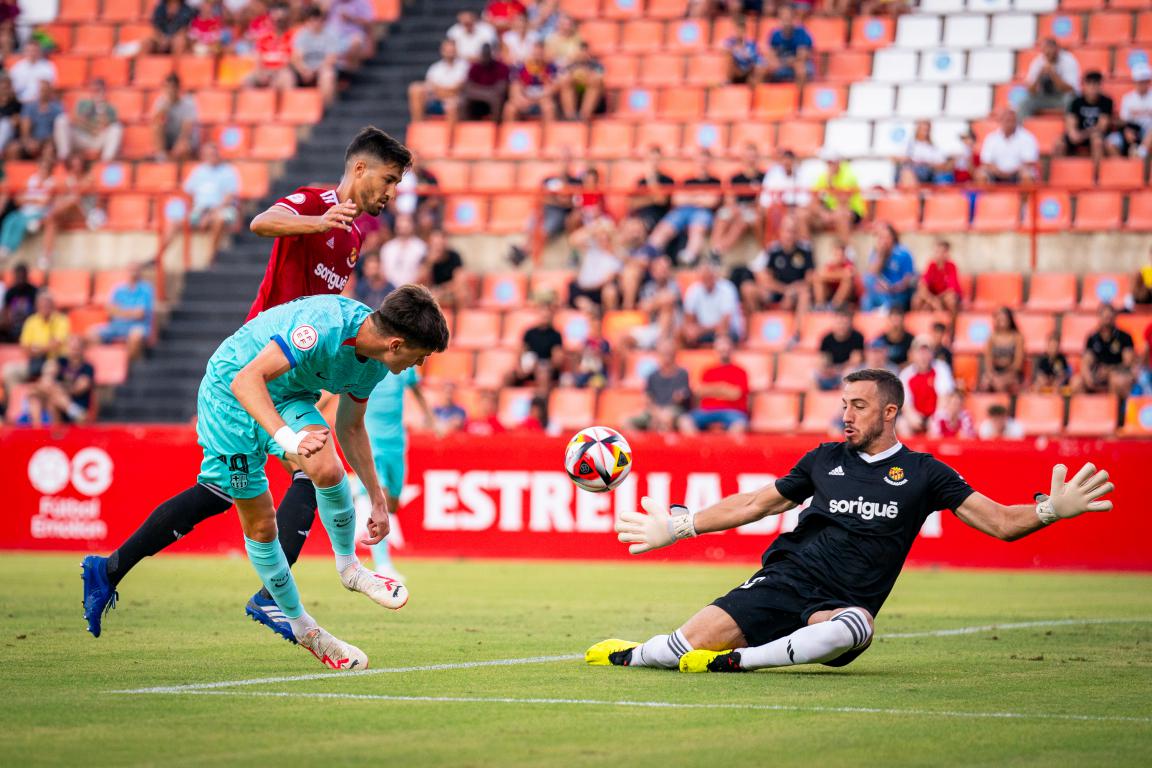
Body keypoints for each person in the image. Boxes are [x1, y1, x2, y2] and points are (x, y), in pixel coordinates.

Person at [80, 128, 413, 636]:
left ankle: (111, 570)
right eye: (389, 180)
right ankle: (270, 597)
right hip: (261, 358)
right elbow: (261, 222)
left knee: (247, 485)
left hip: (297, 369)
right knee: (301, 472)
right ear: (361, 169)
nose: (391, 193)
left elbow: (326, 304)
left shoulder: (355, 235)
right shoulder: (314, 200)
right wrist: (313, 221)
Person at [589, 368, 1115, 673]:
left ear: (889, 413)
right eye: (844, 404)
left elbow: (999, 521)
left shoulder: (924, 473)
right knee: (690, 643)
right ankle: (631, 654)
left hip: (840, 605)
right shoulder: (823, 459)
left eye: (859, 406)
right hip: (786, 578)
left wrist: (1048, 511)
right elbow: (756, 503)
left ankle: (743, 662)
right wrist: (682, 527)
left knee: (855, 628)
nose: (846, 415)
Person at [81, 289, 450, 671]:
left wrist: (375, 497)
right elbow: (247, 381)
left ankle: (350, 569)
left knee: (326, 469)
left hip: (288, 395)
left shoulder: (373, 363)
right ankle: (304, 627)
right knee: (258, 522)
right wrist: (289, 439)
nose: (419, 364)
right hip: (231, 396)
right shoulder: (322, 327)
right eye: (420, 356)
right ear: (396, 343)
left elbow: (351, 427)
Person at [361, 359, 438, 576]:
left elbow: (417, 391)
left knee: (393, 504)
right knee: (382, 498)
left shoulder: (405, 365)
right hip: (370, 440)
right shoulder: (366, 363)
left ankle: (357, 489)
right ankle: (382, 564)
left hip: (396, 443)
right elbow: (338, 392)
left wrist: (431, 419)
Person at [156, 141, 240, 260]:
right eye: (208, 155)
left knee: (220, 219)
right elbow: (188, 193)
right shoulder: (199, 171)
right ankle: (158, 256)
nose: (211, 157)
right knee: (174, 222)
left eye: (213, 154)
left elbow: (229, 197)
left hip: (220, 210)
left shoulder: (228, 171)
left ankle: (211, 257)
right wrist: (195, 212)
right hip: (200, 211)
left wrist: (210, 214)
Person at [645, 148, 722, 267]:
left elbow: (711, 201)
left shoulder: (715, 181)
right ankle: (650, 250)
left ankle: (690, 255)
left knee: (698, 227)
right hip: (683, 211)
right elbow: (677, 199)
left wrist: (690, 196)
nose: (702, 164)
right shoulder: (687, 180)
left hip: (703, 212)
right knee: (668, 224)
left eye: (705, 161)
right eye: (700, 160)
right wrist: (700, 196)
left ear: (709, 162)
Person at [741, 213, 813, 317]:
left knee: (803, 294)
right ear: (781, 231)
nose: (789, 235)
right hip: (778, 290)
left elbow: (809, 279)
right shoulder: (772, 250)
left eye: (793, 231)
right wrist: (785, 290)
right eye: (787, 231)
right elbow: (766, 280)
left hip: (796, 291)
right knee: (748, 289)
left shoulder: (805, 250)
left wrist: (792, 290)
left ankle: (798, 331)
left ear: (797, 233)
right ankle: (759, 322)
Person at [677, 334, 749, 435]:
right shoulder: (708, 371)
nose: (723, 352)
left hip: (732, 411)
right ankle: (697, 448)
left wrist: (711, 390)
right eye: (720, 350)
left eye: (726, 350)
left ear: (731, 350)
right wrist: (723, 388)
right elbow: (699, 392)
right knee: (684, 421)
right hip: (707, 411)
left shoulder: (740, 371)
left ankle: (726, 450)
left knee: (739, 426)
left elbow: (735, 394)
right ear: (715, 350)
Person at [1, 291, 68, 392]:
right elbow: (25, 347)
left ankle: (41, 403)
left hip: (54, 361)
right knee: (9, 371)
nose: (45, 308)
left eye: (47, 305)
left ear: (53, 305)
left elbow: (56, 344)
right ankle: (17, 402)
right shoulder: (31, 321)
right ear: (37, 306)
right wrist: (43, 347)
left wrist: (37, 348)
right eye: (42, 305)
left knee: (50, 369)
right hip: (34, 362)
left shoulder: (62, 320)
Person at [87, 262, 155, 361]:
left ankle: (129, 367)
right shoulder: (119, 289)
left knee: (135, 336)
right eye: (131, 270)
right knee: (91, 333)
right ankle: (102, 364)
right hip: (116, 326)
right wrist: (130, 312)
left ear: (140, 272)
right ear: (126, 271)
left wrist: (119, 311)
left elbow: (140, 314)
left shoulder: (146, 289)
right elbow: (110, 310)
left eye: (136, 270)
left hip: (137, 326)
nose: (133, 273)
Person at [710, 142, 765, 257]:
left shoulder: (763, 177)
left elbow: (761, 201)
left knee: (742, 220)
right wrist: (735, 208)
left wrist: (746, 207)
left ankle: (719, 250)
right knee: (722, 215)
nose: (750, 159)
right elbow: (729, 200)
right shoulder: (735, 177)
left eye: (753, 156)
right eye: (748, 156)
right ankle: (714, 248)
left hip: (752, 211)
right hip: (737, 208)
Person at [27, 334, 94, 425]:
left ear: (82, 349)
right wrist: (51, 383)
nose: (74, 350)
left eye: (76, 347)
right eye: (71, 347)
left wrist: (60, 388)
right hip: (62, 404)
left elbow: (80, 388)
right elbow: (47, 378)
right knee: (35, 397)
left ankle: (70, 415)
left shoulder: (87, 367)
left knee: (52, 397)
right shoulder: (60, 362)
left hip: (76, 401)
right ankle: (38, 431)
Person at [1073, 304, 1135, 398]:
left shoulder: (1125, 337)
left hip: (1118, 373)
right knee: (1076, 382)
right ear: (1099, 318)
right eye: (1105, 317)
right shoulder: (1092, 338)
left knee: (1115, 380)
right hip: (1098, 374)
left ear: (1114, 317)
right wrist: (1088, 376)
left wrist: (1109, 371)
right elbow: (1086, 360)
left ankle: (1113, 411)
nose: (1107, 320)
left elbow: (1128, 363)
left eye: (1109, 317)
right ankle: (1085, 411)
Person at [630, 338, 690, 433]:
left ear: (674, 354)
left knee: (666, 418)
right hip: (654, 411)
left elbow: (680, 399)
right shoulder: (652, 376)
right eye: (663, 353)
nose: (666, 356)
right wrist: (656, 413)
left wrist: (663, 413)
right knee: (626, 421)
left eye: (669, 353)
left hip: (673, 412)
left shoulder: (682, 374)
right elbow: (647, 399)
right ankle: (637, 446)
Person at [899, 335, 955, 435]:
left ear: (932, 353)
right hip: (916, 416)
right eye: (919, 352)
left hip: (935, 414)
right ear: (912, 354)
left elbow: (944, 397)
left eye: (926, 351)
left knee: (937, 425)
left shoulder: (941, 368)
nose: (923, 355)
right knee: (902, 425)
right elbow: (905, 402)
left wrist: (935, 418)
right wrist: (912, 417)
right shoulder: (905, 374)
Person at [806, 150, 865, 244]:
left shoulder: (848, 174)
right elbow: (813, 200)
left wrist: (830, 184)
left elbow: (844, 201)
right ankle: (805, 251)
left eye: (831, 162)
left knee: (841, 215)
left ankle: (848, 252)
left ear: (838, 162)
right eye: (828, 163)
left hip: (853, 211)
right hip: (832, 211)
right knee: (803, 215)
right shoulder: (824, 176)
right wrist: (823, 213)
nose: (829, 166)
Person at [682, 259, 743, 348]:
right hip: (704, 332)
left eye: (709, 276)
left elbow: (725, 323)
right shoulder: (694, 290)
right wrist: (692, 330)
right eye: (704, 277)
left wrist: (700, 330)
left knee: (722, 333)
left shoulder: (727, 289)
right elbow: (689, 320)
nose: (707, 280)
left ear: (715, 276)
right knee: (682, 334)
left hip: (728, 332)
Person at [409, 39, 468, 128]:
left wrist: (438, 91)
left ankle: (450, 140)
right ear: (442, 51)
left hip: (457, 103)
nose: (449, 52)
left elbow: (458, 89)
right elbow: (429, 88)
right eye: (447, 50)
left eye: (451, 50)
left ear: (456, 50)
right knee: (415, 88)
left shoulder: (464, 66)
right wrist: (444, 92)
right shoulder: (435, 68)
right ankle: (418, 128)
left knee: (451, 105)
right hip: (437, 101)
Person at [1058, 71, 1113, 165]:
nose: (1092, 88)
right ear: (1084, 85)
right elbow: (1070, 121)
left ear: (1100, 86)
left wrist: (1082, 135)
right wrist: (1073, 134)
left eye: (1095, 84)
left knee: (1097, 141)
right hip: (1079, 134)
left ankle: (1096, 176)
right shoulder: (1076, 101)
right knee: (1058, 144)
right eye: (1089, 84)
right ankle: (1059, 174)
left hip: (1095, 135)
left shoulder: (1106, 101)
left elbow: (1101, 127)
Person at [1017, 38, 1079, 120]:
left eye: (1050, 50)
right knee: (1024, 102)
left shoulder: (1068, 60)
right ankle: (1024, 129)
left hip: (1062, 97)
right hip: (1045, 97)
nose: (1047, 53)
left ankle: (1069, 129)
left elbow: (1071, 89)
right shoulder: (1038, 62)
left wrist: (1053, 74)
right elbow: (1031, 91)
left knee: (1071, 100)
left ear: (1057, 49)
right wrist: (1039, 76)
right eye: (1045, 51)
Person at [567, 218, 621, 312]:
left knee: (609, 290)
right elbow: (573, 239)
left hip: (595, 291)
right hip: (581, 288)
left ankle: (599, 312)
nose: (603, 239)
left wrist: (587, 287)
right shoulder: (592, 249)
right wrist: (593, 227)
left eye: (606, 236)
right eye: (600, 236)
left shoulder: (616, 258)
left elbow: (606, 280)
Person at [861, 222, 916, 313]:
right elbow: (871, 274)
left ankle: (885, 309)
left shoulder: (903, 253)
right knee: (866, 298)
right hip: (879, 291)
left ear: (893, 238)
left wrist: (892, 288)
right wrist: (881, 256)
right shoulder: (877, 252)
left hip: (897, 293)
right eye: (881, 238)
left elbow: (908, 279)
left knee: (887, 300)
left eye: (886, 237)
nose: (883, 241)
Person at [290, 6, 340, 105]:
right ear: (307, 22)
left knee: (327, 75)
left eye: (318, 20)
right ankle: (291, 106)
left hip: (322, 68)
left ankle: (326, 108)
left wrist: (316, 70)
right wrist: (303, 70)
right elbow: (296, 57)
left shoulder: (330, 35)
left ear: (322, 21)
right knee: (285, 76)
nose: (315, 24)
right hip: (305, 70)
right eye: (312, 21)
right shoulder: (301, 35)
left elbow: (331, 58)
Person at [975, 110, 1039, 184]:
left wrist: (1012, 172)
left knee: (1027, 175)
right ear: (1001, 122)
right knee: (980, 174)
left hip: (1018, 173)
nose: (1010, 124)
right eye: (1007, 121)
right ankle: (986, 196)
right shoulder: (991, 138)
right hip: (996, 174)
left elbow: (1029, 162)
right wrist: (998, 172)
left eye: (1012, 121)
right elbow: (986, 161)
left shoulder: (1027, 137)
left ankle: (1024, 196)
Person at [503, 41, 559, 127]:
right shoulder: (521, 67)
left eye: (540, 53)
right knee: (510, 108)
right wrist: (520, 97)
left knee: (549, 108)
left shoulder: (551, 67)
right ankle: (511, 135)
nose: (537, 55)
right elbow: (515, 85)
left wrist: (536, 98)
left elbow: (553, 86)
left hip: (542, 97)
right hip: (525, 96)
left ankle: (548, 137)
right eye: (535, 53)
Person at [69, 79, 123, 162]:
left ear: (104, 91)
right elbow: (77, 121)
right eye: (94, 90)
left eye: (99, 90)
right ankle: (64, 157)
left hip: (99, 139)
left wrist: (101, 108)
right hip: (84, 137)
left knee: (116, 128)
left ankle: (106, 161)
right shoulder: (83, 104)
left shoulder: (110, 109)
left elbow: (105, 125)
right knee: (64, 123)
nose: (97, 93)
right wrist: (91, 108)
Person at [150, 74, 199, 162]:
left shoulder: (188, 103)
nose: (170, 90)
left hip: (185, 138)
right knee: (156, 127)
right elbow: (155, 122)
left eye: (172, 87)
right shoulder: (161, 102)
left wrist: (180, 143)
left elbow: (186, 130)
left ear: (178, 88)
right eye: (167, 87)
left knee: (183, 147)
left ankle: (178, 169)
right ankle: (161, 158)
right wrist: (166, 107)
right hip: (169, 137)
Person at [629, 146, 674, 234]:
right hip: (641, 217)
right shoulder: (641, 181)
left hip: (658, 218)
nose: (654, 163)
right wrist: (652, 199)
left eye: (656, 160)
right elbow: (632, 204)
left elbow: (661, 200)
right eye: (651, 159)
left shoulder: (667, 180)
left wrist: (651, 179)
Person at [764, 5, 813, 85]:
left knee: (801, 69)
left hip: (798, 64)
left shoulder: (802, 33)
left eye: (787, 19)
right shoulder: (775, 35)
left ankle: (800, 96)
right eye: (782, 19)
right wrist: (776, 62)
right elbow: (771, 54)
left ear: (793, 19)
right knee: (762, 68)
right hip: (781, 63)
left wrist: (787, 62)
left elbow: (801, 57)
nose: (785, 22)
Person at [980, 307, 1025, 395]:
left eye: (1004, 318)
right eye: (999, 318)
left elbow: (1018, 364)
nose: (1002, 321)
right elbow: (988, 362)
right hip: (995, 372)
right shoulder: (991, 337)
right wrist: (993, 376)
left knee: (1003, 385)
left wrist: (1004, 377)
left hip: (1012, 373)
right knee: (985, 384)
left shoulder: (1017, 337)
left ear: (1010, 320)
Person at [16, 85, 68, 161]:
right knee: (15, 149)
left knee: (49, 150)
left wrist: (49, 141)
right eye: (41, 90)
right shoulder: (30, 107)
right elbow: (25, 128)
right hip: (33, 139)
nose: (43, 93)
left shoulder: (57, 108)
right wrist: (28, 141)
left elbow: (59, 130)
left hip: (50, 140)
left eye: (45, 90)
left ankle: (45, 170)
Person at [461, 43, 510, 121]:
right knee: (463, 101)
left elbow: (501, 89)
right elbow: (468, 88)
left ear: (492, 54)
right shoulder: (474, 67)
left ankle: (495, 129)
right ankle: (467, 128)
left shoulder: (501, 67)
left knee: (496, 100)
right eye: (483, 54)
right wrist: (488, 94)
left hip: (494, 101)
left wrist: (480, 91)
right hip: (477, 101)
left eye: (487, 54)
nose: (485, 57)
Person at [1112, 62, 1151, 159]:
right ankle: (1123, 168)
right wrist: (1127, 131)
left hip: (1148, 132)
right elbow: (1124, 121)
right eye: (1139, 81)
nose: (1142, 84)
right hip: (1134, 132)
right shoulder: (1128, 98)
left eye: (1144, 81)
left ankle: (1141, 152)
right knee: (1110, 142)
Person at [557, 42, 604, 122]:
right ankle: (570, 116)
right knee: (565, 81)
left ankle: (584, 116)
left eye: (585, 51)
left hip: (591, 91)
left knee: (595, 82)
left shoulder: (596, 65)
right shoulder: (570, 65)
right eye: (581, 51)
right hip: (575, 91)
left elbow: (600, 79)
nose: (583, 54)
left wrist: (586, 76)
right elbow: (561, 77)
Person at [912, 239, 961, 314]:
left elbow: (951, 291)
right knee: (916, 300)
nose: (938, 254)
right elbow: (922, 286)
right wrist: (932, 300)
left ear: (947, 253)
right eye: (937, 251)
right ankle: (916, 323)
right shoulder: (931, 265)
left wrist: (937, 300)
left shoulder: (951, 266)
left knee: (951, 300)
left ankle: (952, 324)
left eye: (941, 252)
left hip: (944, 297)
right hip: (933, 297)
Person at [380, 213, 428, 289]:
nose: (403, 226)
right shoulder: (387, 248)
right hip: (389, 292)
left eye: (406, 223)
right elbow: (383, 272)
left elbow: (423, 272)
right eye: (400, 223)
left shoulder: (421, 247)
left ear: (412, 225)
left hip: (413, 291)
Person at [896, 120, 950, 187]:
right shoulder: (909, 145)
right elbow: (898, 158)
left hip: (928, 172)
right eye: (922, 129)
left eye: (926, 130)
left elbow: (942, 164)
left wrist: (927, 163)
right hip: (912, 171)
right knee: (907, 172)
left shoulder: (933, 148)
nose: (924, 132)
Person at [425, 230, 467, 308]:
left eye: (439, 244)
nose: (437, 247)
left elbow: (459, 281)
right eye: (435, 244)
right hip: (432, 291)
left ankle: (461, 318)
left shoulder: (454, 256)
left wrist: (443, 290)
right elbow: (420, 282)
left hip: (450, 290)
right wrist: (429, 263)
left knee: (462, 293)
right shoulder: (426, 258)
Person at [813, 242, 859, 311]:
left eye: (840, 254)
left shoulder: (849, 264)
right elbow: (819, 274)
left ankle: (834, 306)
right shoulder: (830, 265)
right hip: (831, 293)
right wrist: (838, 275)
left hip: (848, 296)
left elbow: (848, 275)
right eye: (836, 254)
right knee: (818, 280)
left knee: (847, 281)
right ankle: (820, 306)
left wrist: (831, 276)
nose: (838, 257)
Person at [819, 309, 865, 378]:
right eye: (839, 322)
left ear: (850, 323)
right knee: (812, 373)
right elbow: (824, 359)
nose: (842, 326)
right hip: (831, 372)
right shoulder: (826, 339)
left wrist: (839, 369)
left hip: (848, 371)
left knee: (849, 372)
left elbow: (856, 361)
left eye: (845, 323)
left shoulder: (857, 337)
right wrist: (827, 368)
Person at [8, 40, 55, 105]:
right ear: (24, 52)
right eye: (29, 51)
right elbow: (12, 89)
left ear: (40, 52)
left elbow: (50, 89)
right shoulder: (17, 68)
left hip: (39, 103)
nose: (32, 53)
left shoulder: (47, 67)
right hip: (19, 103)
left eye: (34, 51)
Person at [0, 263, 37, 341]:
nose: (20, 279)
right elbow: (5, 311)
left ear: (26, 276)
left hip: (30, 325)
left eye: (22, 276)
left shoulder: (34, 291)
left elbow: (37, 311)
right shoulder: (10, 292)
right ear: (15, 276)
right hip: (13, 326)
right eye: (18, 276)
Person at [723, 15, 764, 85]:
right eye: (736, 29)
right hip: (735, 72)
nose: (738, 32)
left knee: (760, 65)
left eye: (740, 29)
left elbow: (756, 59)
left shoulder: (751, 45)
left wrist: (747, 56)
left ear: (744, 30)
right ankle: (728, 82)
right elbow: (723, 49)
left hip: (748, 71)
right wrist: (735, 50)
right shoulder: (729, 43)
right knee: (728, 57)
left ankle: (754, 89)